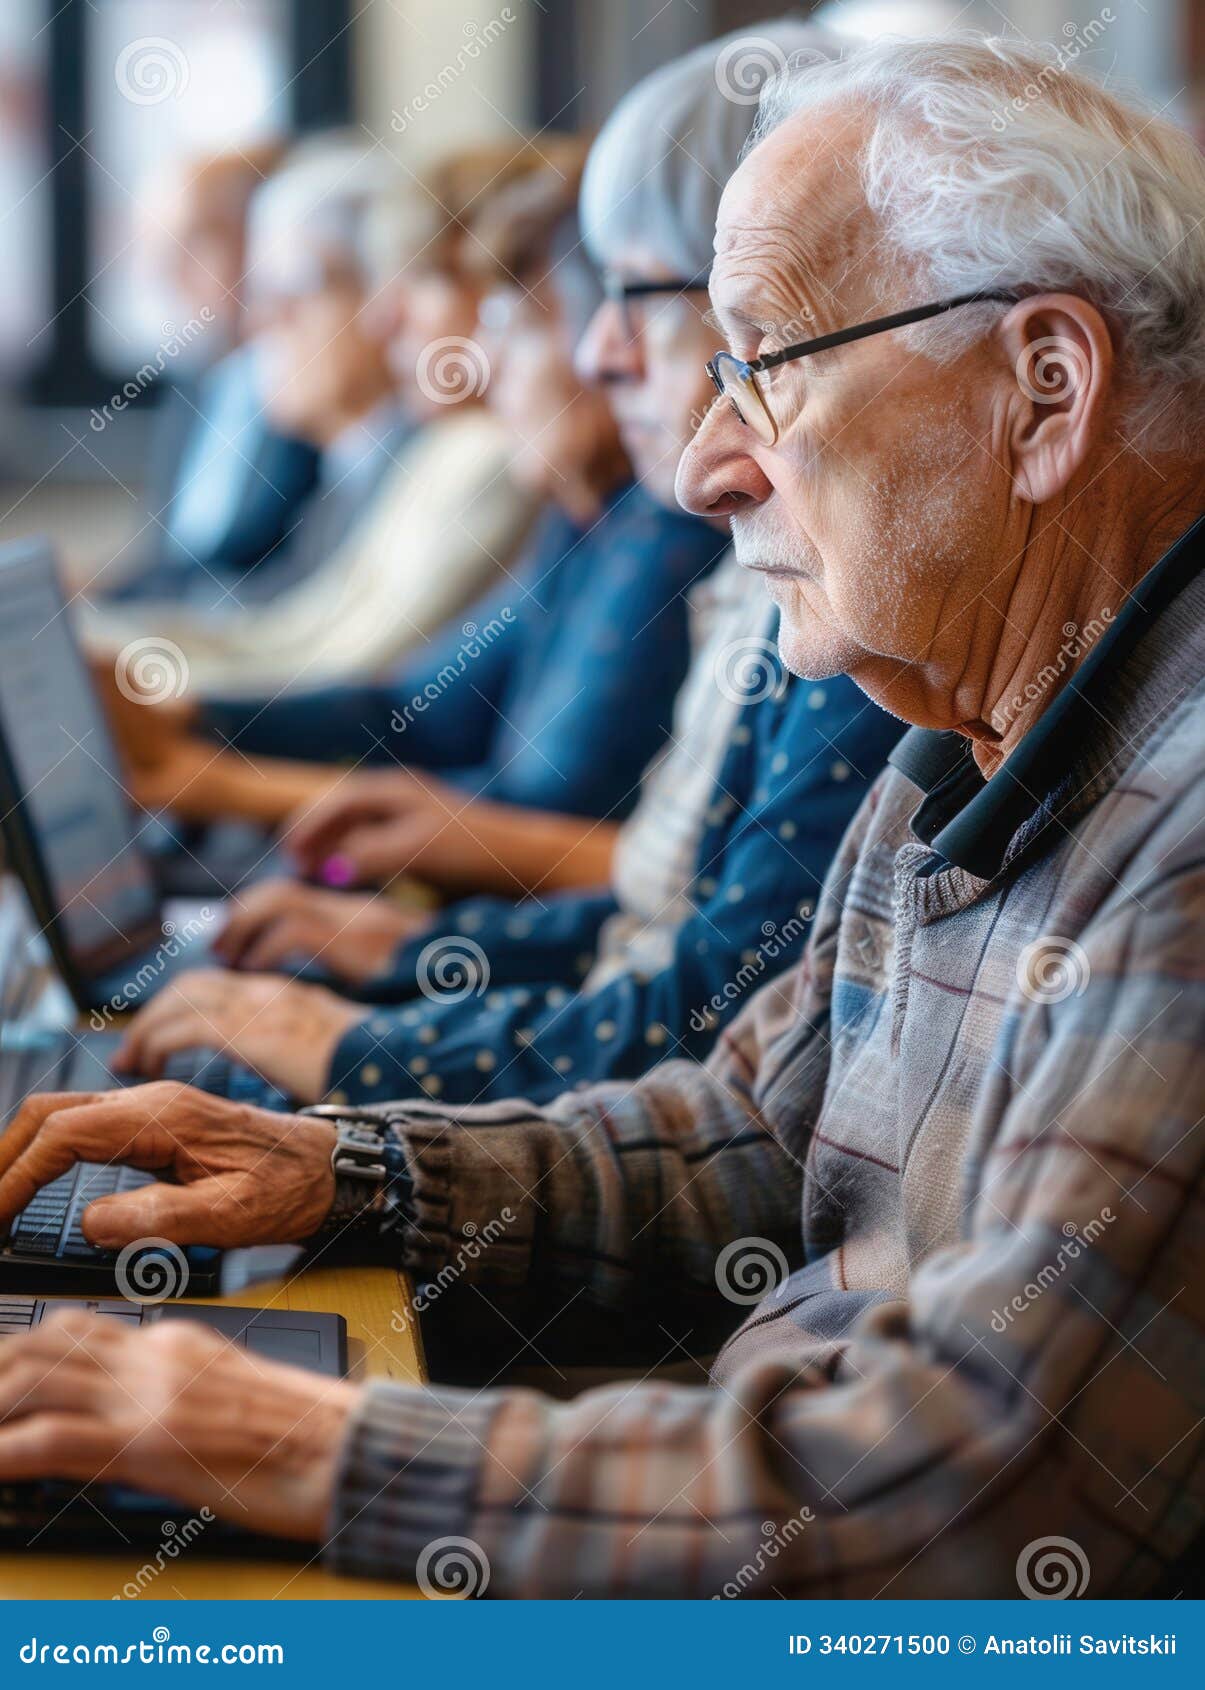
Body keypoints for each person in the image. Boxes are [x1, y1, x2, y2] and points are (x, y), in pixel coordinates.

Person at [3, 32, 1204, 1600]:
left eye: (763, 360)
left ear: (1044, 390)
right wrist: (347, 1163)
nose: (706, 465)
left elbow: (970, 1487)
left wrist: (310, 1441)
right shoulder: (961, 741)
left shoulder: (1174, 834)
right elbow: (754, 1133)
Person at [108, 20, 901, 1113]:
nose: (592, 353)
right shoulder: (707, 553)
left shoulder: (792, 577)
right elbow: (660, 918)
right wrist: (414, 950)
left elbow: (697, 994)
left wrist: (366, 1045)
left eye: (634, 302)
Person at [82, 141, 546, 707]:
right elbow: (297, 632)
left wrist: (139, 684)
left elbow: (348, 669)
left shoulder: (481, 454)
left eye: (292, 291)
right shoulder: (432, 453)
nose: (387, 319)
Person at [104, 143, 322, 604]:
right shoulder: (195, 386)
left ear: (258, 239)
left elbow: (264, 562)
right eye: (162, 249)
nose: (170, 274)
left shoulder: (312, 390)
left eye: (195, 243)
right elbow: (167, 556)